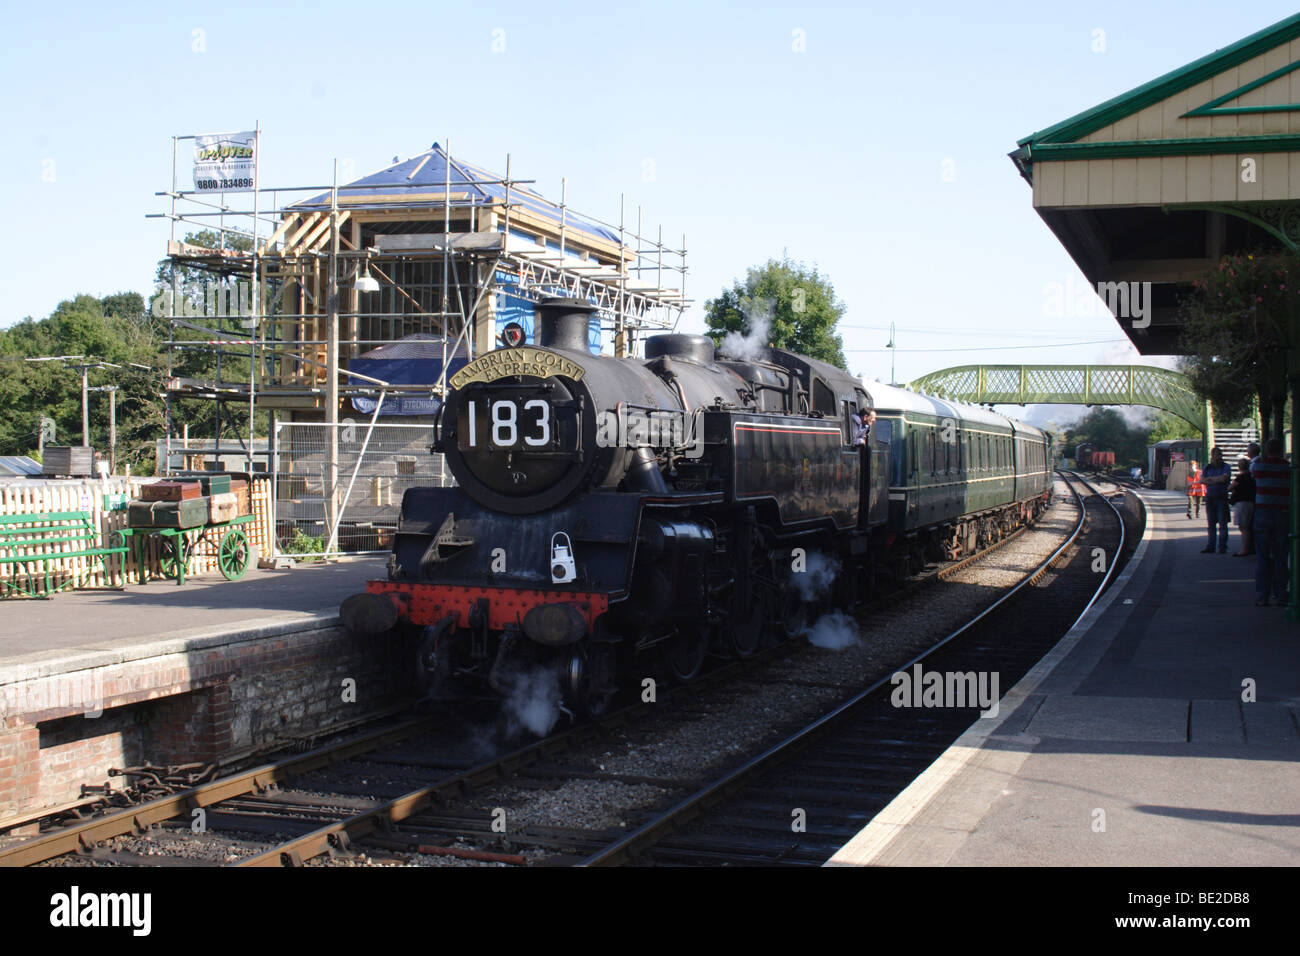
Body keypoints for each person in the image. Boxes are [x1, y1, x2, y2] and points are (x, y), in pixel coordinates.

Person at [1250, 438, 1291, 607]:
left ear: (1267, 451)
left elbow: (1252, 466)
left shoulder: (1259, 467)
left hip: (1263, 513)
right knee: (1281, 557)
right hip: (1282, 513)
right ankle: (1281, 594)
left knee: (1263, 557)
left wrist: (1262, 456)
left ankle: (1262, 595)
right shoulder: (1287, 468)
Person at [1199, 447, 1231, 553]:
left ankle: (1222, 547)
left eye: (1219, 455)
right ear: (1212, 457)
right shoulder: (1207, 467)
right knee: (1211, 523)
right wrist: (1217, 480)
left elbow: (1224, 479)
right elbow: (1202, 480)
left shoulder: (1226, 467)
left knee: (1222, 523)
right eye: (1215, 455)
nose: (1217, 457)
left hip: (1221, 497)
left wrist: (1211, 480)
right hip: (1210, 497)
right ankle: (1211, 546)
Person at [1228, 456, 1256, 557]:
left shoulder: (1240, 478)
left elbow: (1230, 488)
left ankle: (1245, 549)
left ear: (1240, 467)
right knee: (1248, 526)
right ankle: (1250, 547)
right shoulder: (1252, 478)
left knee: (1243, 527)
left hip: (1242, 504)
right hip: (1251, 503)